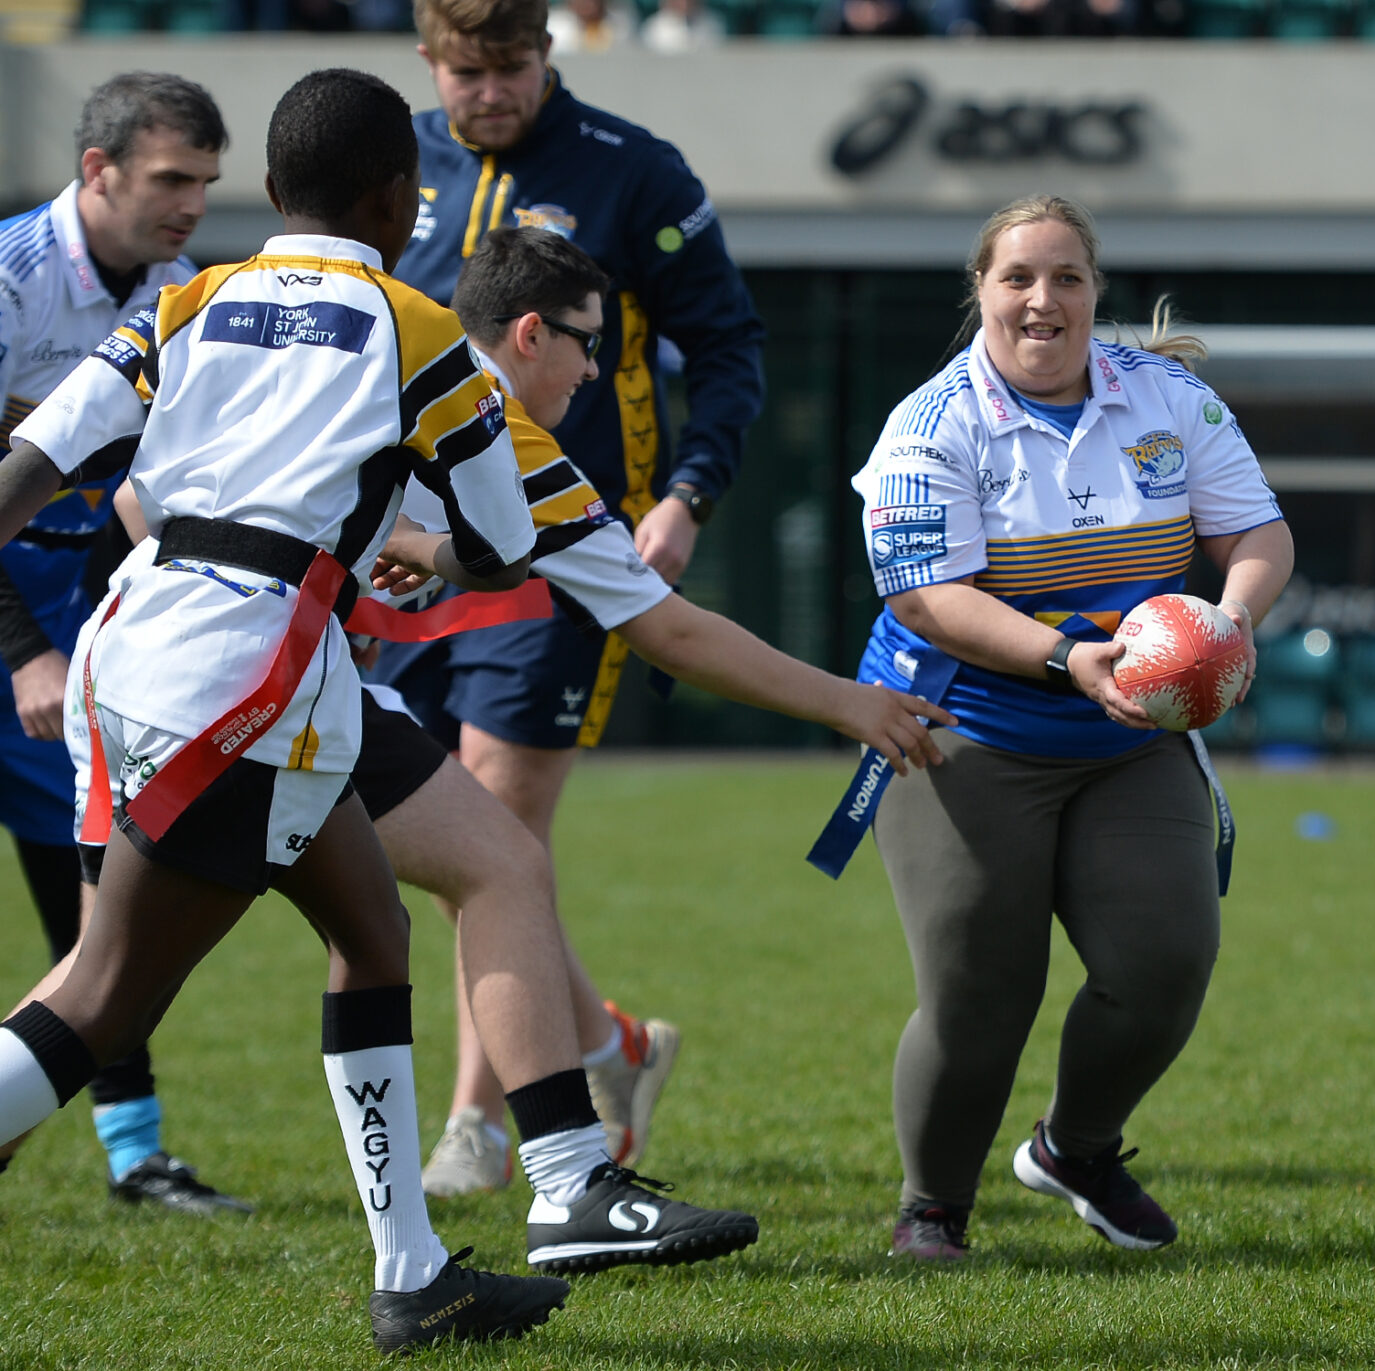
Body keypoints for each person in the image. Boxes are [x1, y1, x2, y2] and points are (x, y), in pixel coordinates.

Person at [28, 223, 947, 1275]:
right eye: (586, 343)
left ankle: (513, 1208)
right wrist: (850, 703)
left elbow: (144, 497)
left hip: (151, 663)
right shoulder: (483, 422)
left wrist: (383, 549)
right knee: (107, 992)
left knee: (438, 892)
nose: (596, 369)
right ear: (525, 334)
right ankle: (548, 1191)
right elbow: (669, 629)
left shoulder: (308, 345)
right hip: (246, 692)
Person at [0, 69, 570, 1353]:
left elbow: (27, 473)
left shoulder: (183, 303)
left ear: (268, 189)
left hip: (131, 648)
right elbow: (503, 542)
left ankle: (415, 1274)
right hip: (247, 682)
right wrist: (428, 549)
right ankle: (419, 1271)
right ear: (400, 198)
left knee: (372, 935)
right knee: (102, 999)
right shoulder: (419, 328)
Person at [847, 195, 1291, 1260]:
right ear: (982, 294)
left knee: (1166, 961)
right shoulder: (929, 423)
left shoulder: (1169, 396)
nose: (1043, 300)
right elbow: (925, 598)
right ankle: (933, 1210)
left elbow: (1259, 533)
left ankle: (1077, 1149)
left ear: (1095, 293)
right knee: (980, 995)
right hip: (961, 727)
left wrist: (1224, 627)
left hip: (1129, 733)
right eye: (1019, 279)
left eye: (1067, 279)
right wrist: (1063, 657)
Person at [376, 0, 767, 1191]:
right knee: (435, 838)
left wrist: (687, 495)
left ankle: (477, 1127)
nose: (488, 93)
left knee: (496, 827)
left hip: (561, 553)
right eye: (464, 71)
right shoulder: (394, 164)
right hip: (411, 553)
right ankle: (609, 1044)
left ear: (550, 56)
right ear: (430, 64)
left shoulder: (632, 171)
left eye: (511, 68)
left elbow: (731, 348)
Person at [0, 72, 246, 1214]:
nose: (192, 202)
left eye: (205, 180)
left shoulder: (182, 289)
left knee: (100, 897)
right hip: (18, 613)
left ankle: (135, 1153)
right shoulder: (10, 280)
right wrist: (24, 652)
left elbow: (159, 482)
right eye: (170, 180)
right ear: (97, 172)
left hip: (76, 598)